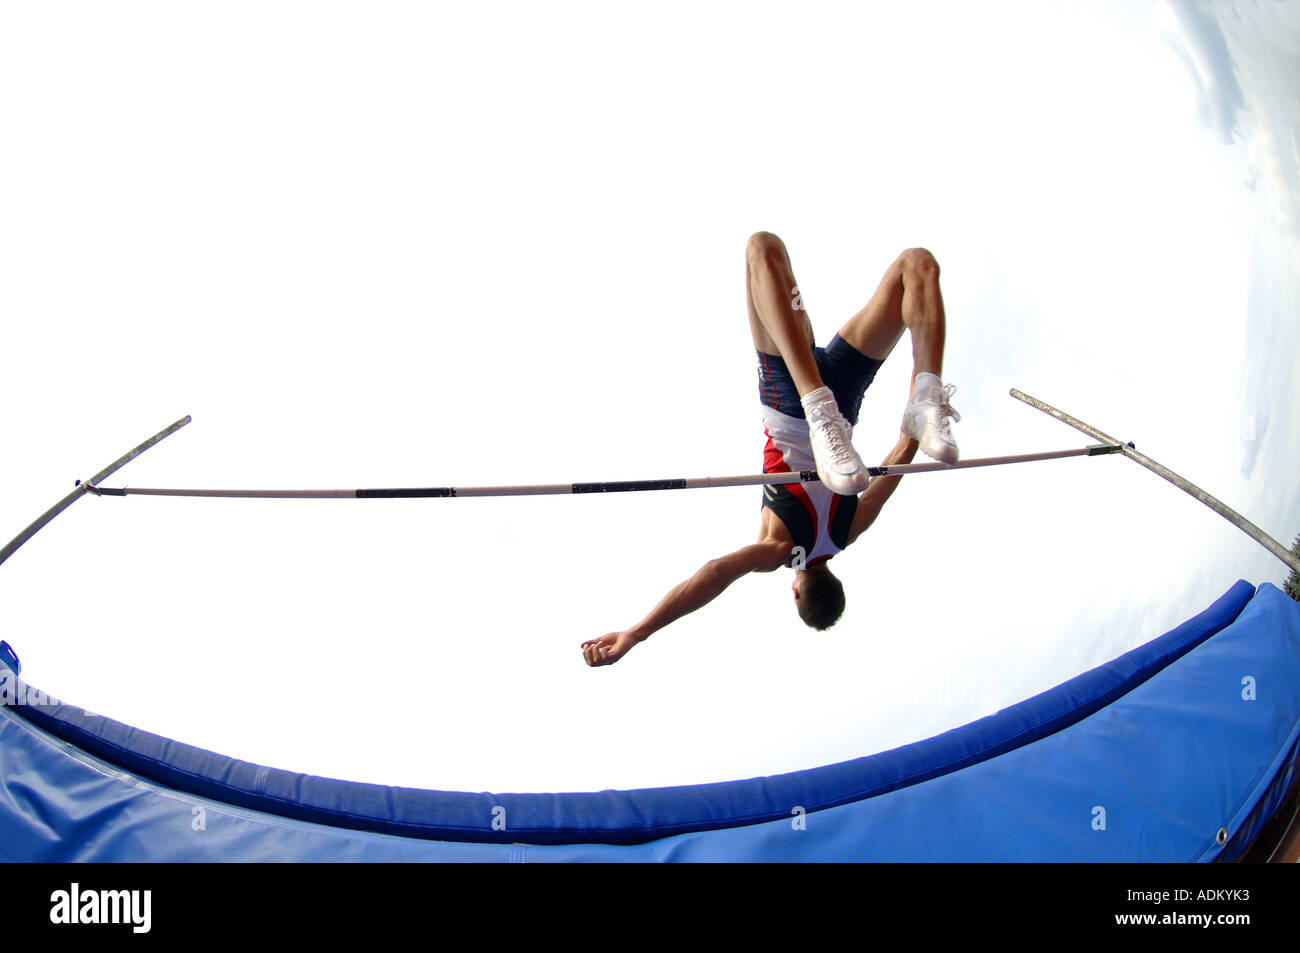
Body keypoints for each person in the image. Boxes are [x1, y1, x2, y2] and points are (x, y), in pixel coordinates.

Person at [581, 232, 961, 667]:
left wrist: (912, 426)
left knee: (915, 263)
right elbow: (716, 573)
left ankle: (921, 391)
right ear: (796, 589)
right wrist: (636, 633)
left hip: (843, 395)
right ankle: (844, 406)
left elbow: (900, 458)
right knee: (760, 250)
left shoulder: (848, 530)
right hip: (790, 398)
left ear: (834, 579)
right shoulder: (780, 547)